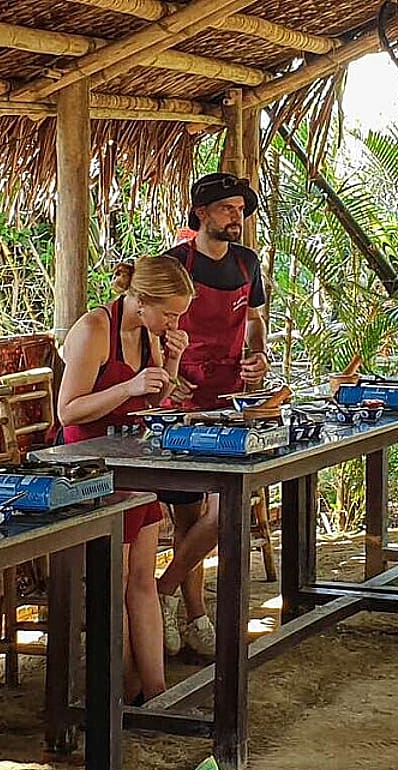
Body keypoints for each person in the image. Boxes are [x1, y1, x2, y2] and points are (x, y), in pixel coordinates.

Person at [58, 255, 195, 703]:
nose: (175, 321)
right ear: (141, 301)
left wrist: (171, 363)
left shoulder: (148, 334)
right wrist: (126, 388)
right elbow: (68, 411)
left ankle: (156, 692)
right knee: (113, 585)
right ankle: (113, 692)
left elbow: (156, 400)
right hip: (90, 469)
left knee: (143, 580)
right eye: (171, 313)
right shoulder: (94, 329)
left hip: (134, 462)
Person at [156, 172, 269, 658]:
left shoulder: (248, 262)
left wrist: (258, 359)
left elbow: (254, 319)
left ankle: (162, 592)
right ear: (201, 213)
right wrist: (164, 372)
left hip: (231, 403)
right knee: (187, 517)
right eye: (227, 208)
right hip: (182, 406)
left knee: (227, 512)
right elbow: (147, 326)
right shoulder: (174, 263)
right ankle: (195, 617)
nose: (236, 217)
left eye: (241, 210)